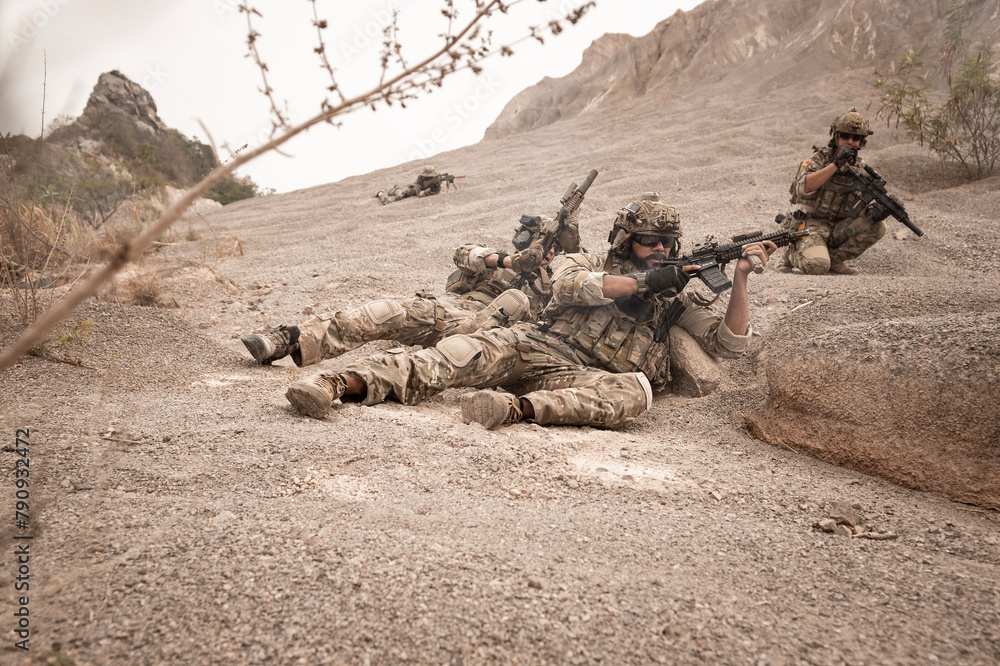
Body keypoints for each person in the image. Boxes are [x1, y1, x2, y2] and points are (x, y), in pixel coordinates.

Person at [282, 193, 775, 429]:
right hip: (536, 344)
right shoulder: (590, 262)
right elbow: (572, 284)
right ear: (627, 240)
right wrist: (649, 279)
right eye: (652, 243)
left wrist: (742, 279)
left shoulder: (677, 299)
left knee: (637, 391)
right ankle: (336, 385)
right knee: (453, 356)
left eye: (669, 244)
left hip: (577, 380)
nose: (663, 251)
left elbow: (730, 344)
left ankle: (516, 410)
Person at [240, 213, 571, 367]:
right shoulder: (501, 259)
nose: (544, 252)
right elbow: (462, 252)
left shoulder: (557, 287)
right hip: (445, 310)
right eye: (540, 245)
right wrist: (510, 262)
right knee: (383, 312)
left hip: (483, 336)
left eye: (550, 248)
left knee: (511, 303)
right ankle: (288, 341)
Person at [776, 107, 891, 275]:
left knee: (879, 226)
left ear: (862, 141)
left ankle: (834, 259)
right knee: (817, 267)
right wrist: (836, 164)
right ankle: (791, 253)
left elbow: (855, 211)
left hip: (836, 227)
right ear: (836, 137)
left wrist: (876, 212)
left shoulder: (860, 169)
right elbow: (804, 186)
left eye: (856, 138)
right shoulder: (818, 160)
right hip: (809, 225)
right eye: (845, 136)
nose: (850, 141)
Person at [376, 166, 446, 205]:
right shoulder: (420, 179)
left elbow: (437, 191)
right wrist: (430, 189)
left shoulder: (436, 177)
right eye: (428, 177)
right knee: (390, 200)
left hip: (422, 190)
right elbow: (419, 194)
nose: (430, 178)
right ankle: (381, 193)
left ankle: (396, 189)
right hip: (411, 191)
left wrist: (434, 189)